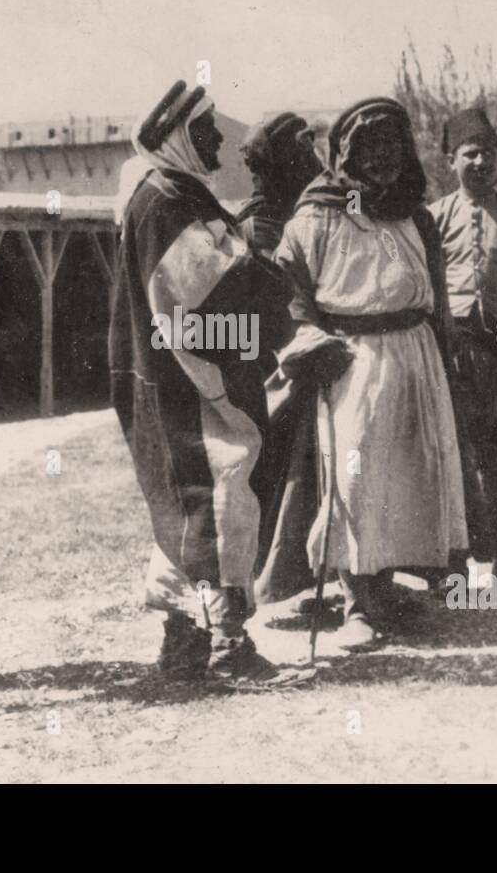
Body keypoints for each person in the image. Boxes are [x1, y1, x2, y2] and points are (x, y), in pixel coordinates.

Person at [109, 80, 297, 687]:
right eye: (207, 128)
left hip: (172, 375)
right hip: (190, 380)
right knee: (217, 499)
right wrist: (275, 282)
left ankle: (183, 644)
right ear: (178, 138)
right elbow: (211, 290)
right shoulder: (165, 199)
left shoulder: (169, 193)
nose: (219, 137)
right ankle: (227, 647)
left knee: (183, 506)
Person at [274, 97, 467, 650]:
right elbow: (291, 294)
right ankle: (356, 603)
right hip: (351, 361)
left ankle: (389, 591)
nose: (383, 158)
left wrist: (447, 353)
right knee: (354, 481)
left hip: (416, 353)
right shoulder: (317, 215)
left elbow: (440, 298)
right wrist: (310, 343)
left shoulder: (415, 214)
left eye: (393, 146)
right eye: (370, 147)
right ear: (346, 153)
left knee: (412, 476)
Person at [432, 108, 497, 577]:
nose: (480, 162)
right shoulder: (432, 220)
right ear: (452, 160)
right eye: (470, 154)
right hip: (453, 353)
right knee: (455, 452)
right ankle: (452, 557)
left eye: (488, 154)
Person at [237, 113, 323, 258]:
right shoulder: (259, 221)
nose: (313, 163)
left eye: (310, 152)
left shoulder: (315, 203)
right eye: (301, 156)